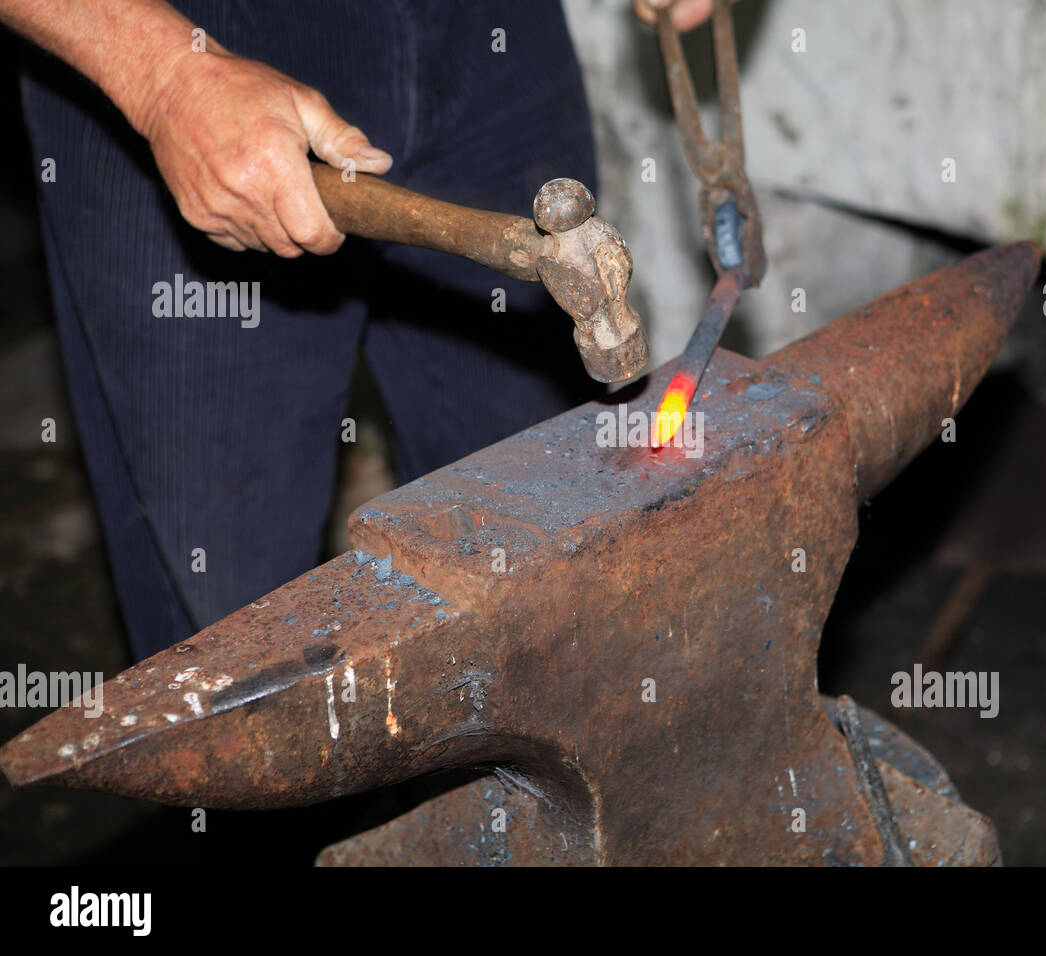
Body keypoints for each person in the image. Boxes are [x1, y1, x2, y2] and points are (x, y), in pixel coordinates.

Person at [0, 0, 728, 660]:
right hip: (187, 49)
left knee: (549, 549)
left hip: (490, 35)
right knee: (234, 630)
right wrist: (161, 75)